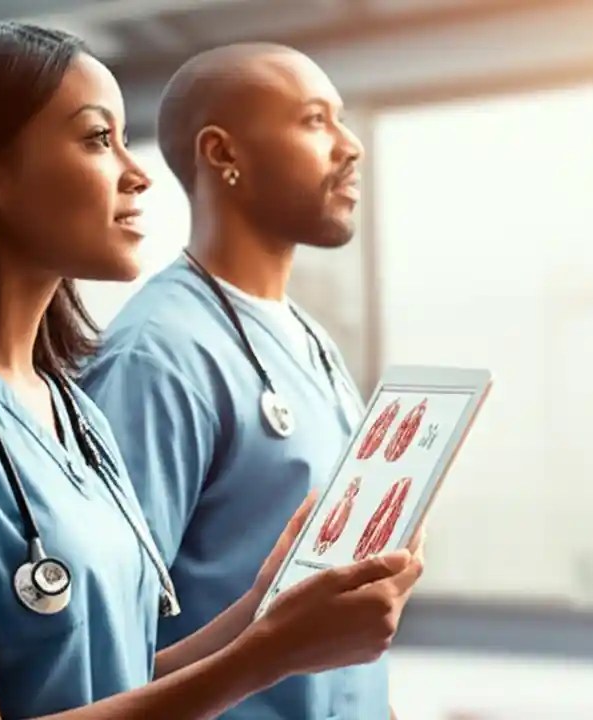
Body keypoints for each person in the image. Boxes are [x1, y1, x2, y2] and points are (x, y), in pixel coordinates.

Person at [0, 24, 423, 720]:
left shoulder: (67, 410)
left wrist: (267, 615)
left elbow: (116, 677)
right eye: (95, 139)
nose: (138, 172)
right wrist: (262, 655)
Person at [80, 43, 402, 719]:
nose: (350, 148)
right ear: (223, 154)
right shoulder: (155, 356)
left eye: (342, 120)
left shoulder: (311, 342)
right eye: (315, 121)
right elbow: (108, 650)